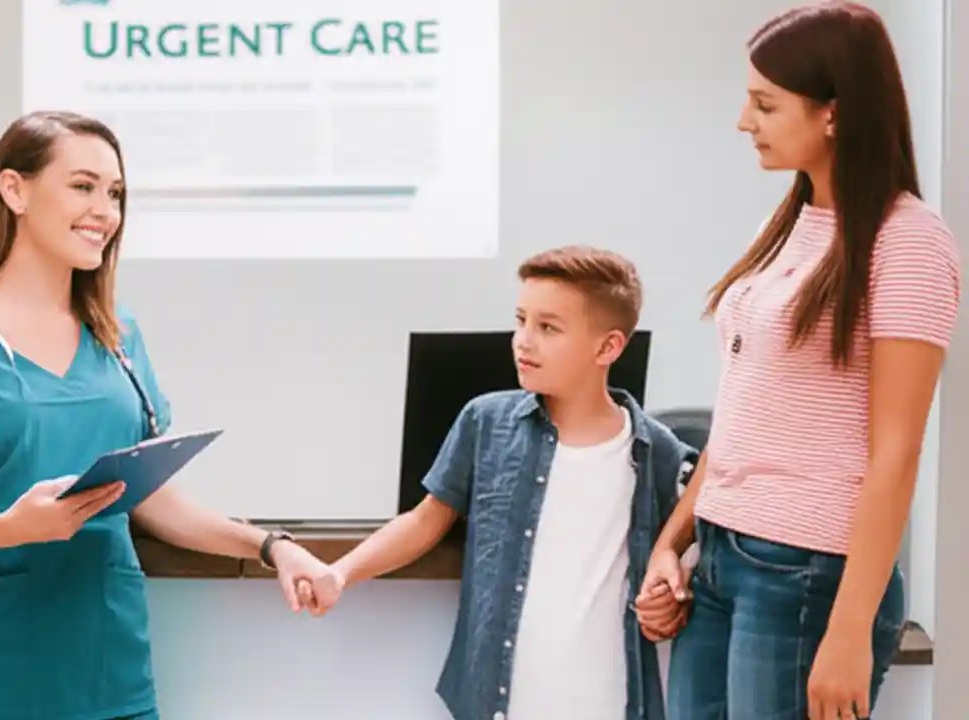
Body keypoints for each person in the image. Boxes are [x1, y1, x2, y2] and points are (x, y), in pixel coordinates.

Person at [0, 110, 334, 720]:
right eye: (83, 186)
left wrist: (270, 546)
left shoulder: (118, 336)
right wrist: (15, 527)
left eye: (116, 193)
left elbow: (143, 497)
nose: (105, 210)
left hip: (109, 671)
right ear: (14, 189)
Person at [633, 3, 962, 720]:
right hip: (723, 557)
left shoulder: (908, 244)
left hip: (807, 573)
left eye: (765, 104)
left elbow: (897, 453)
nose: (743, 121)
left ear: (835, 114)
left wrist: (849, 632)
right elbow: (745, 417)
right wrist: (673, 544)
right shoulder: (787, 226)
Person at [303, 246, 699, 720]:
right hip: (499, 704)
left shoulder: (658, 451)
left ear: (608, 347)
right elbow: (426, 519)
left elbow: (682, 561)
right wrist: (341, 572)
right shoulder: (485, 422)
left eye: (547, 327)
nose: (522, 341)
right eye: (521, 320)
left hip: (611, 704)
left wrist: (673, 598)